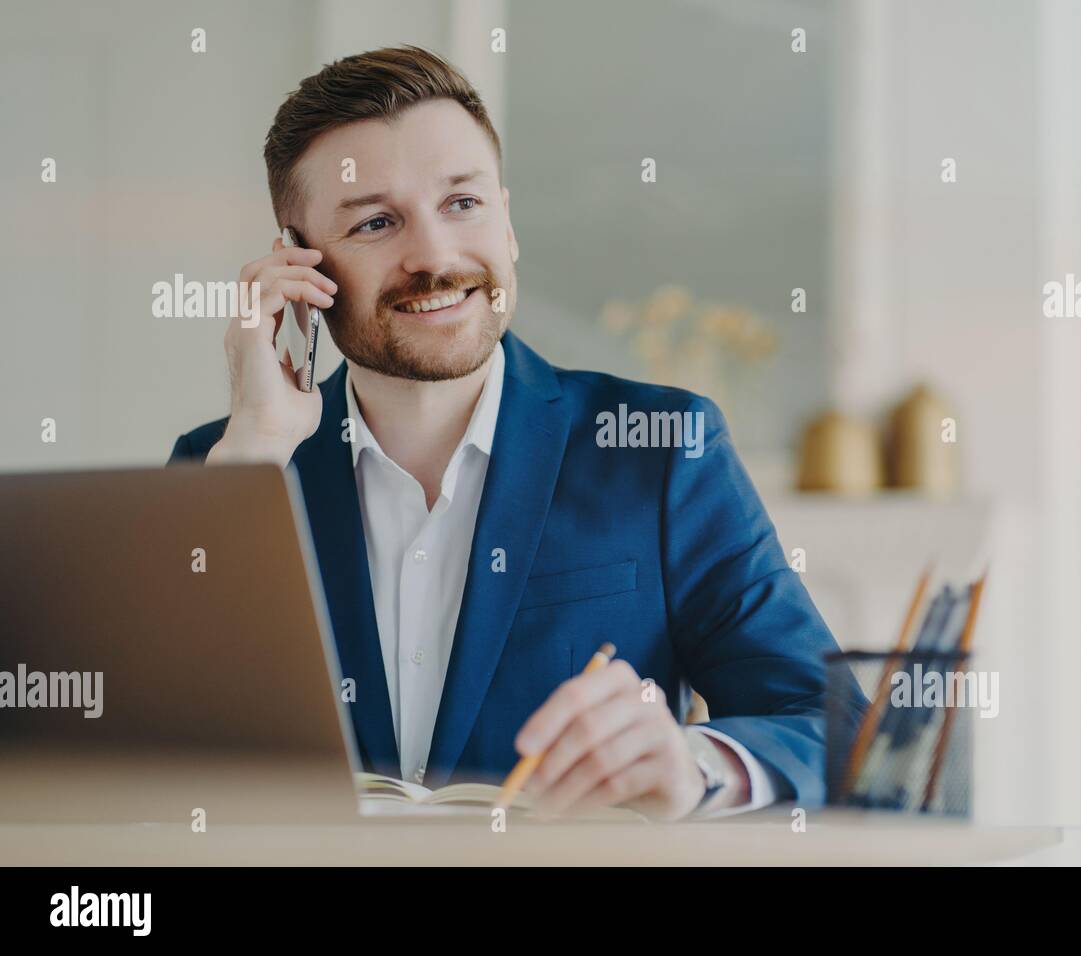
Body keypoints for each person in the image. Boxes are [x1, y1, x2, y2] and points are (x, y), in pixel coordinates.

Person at [169, 45, 856, 821]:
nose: (434, 257)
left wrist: (693, 765)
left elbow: (835, 726)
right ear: (298, 266)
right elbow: (132, 758)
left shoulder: (664, 448)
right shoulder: (224, 466)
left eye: (462, 205)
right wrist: (256, 451)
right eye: (376, 222)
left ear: (507, 218)